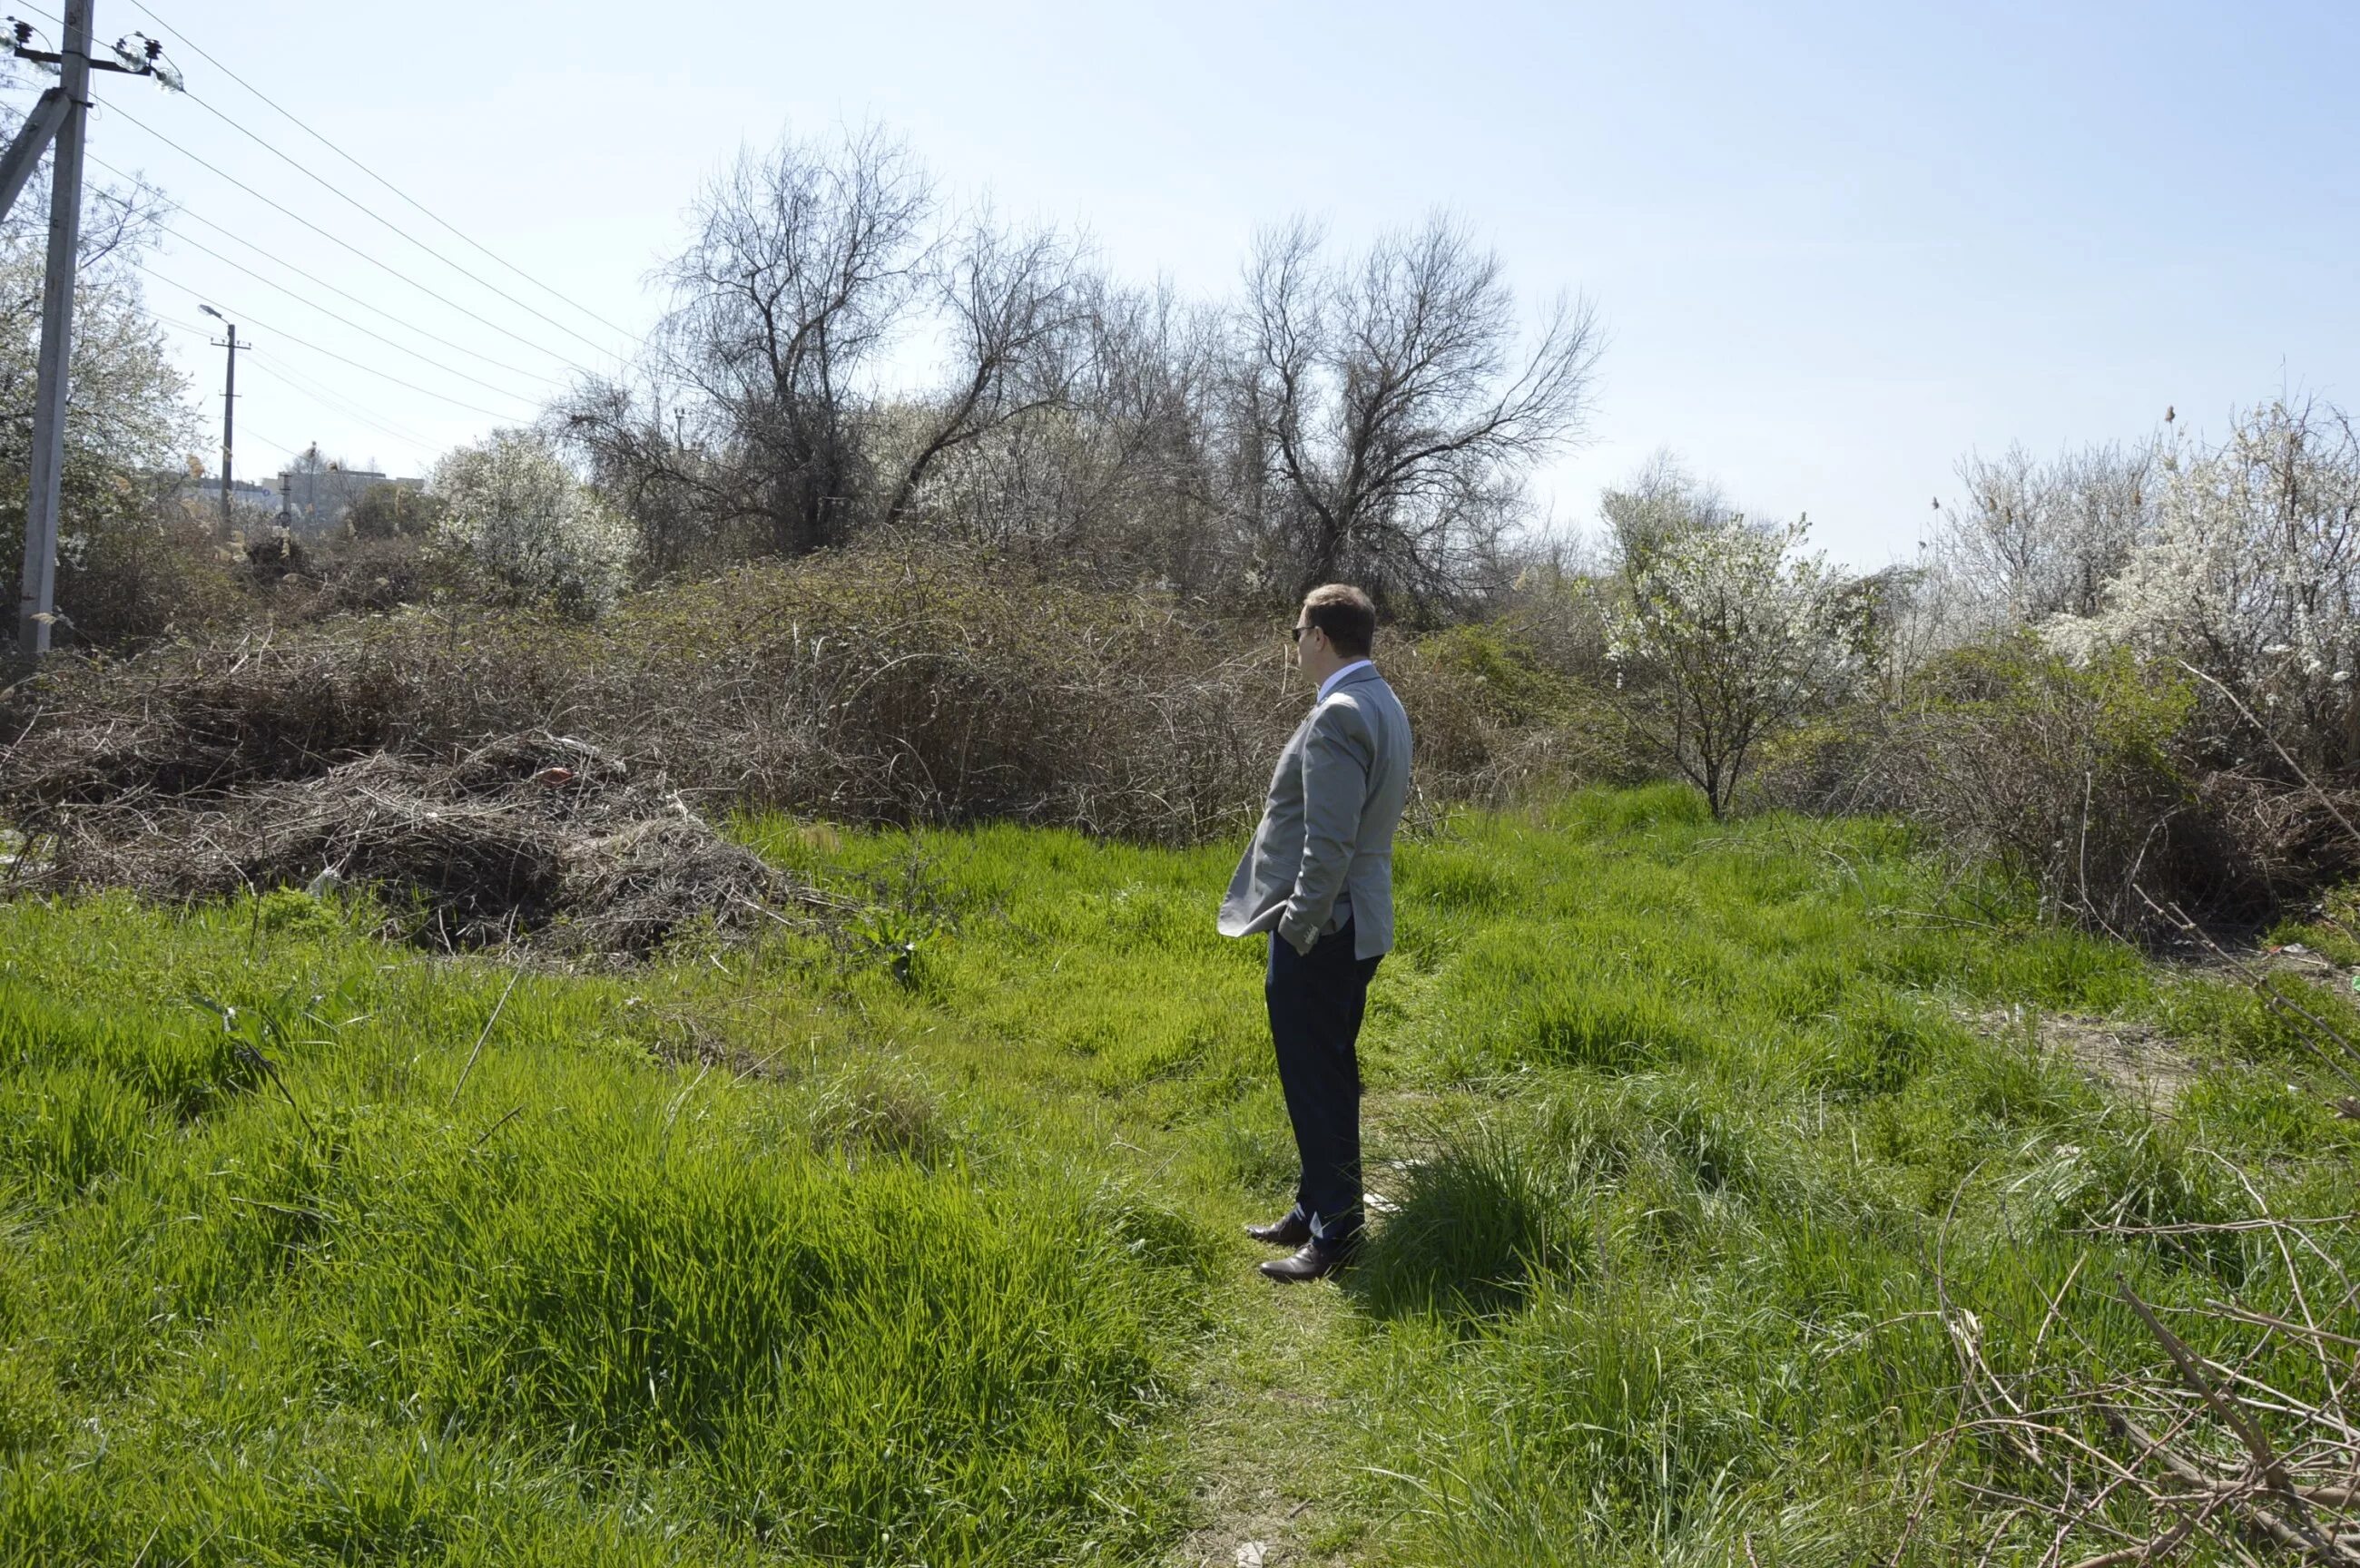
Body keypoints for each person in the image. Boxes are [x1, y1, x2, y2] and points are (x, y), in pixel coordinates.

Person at [1218, 583, 1412, 1282]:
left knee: (1317, 1075)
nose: (1294, 642)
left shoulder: (1338, 714)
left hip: (1328, 923)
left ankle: (1338, 1236)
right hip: (1361, 916)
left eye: (1298, 630)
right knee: (1326, 1069)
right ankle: (1314, 1204)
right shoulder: (1383, 701)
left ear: (1321, 638)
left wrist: (1298, 925)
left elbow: (1327, 845)